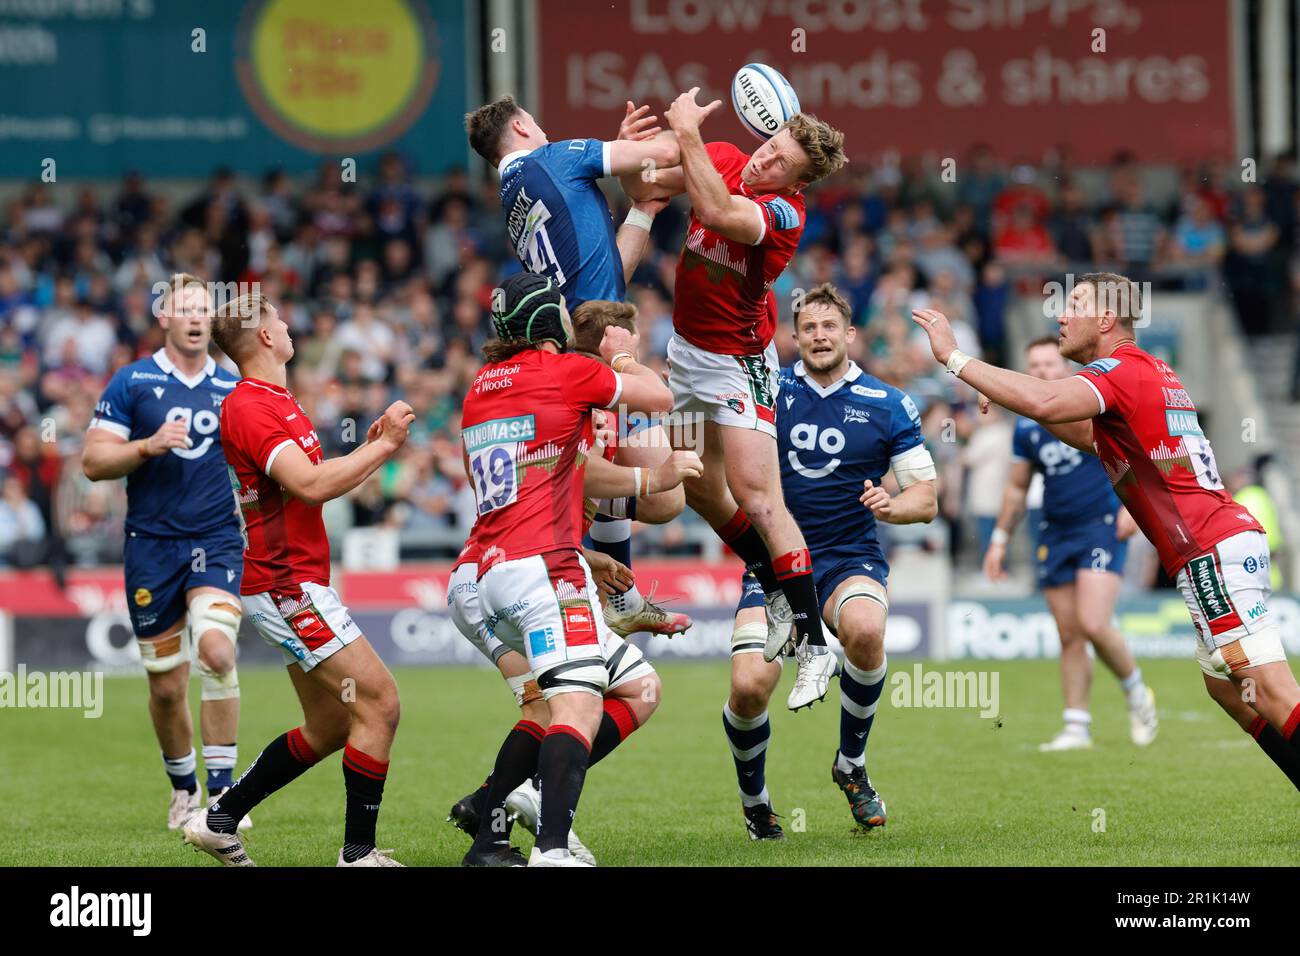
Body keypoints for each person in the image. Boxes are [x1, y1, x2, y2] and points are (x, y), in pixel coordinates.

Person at [911, 272, 1300, 794]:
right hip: (1217, 543)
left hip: (1210, 549)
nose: (1062, 315)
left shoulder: (1117, 370)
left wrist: (956, 360)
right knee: (1228, 689)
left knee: (1269, 690)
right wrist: (1001, 392)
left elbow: (1047, 402)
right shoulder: (1148, 371)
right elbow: (1077, 429)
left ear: (1106, 319)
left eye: (1075, 304)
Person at [621, 88, 849, 708]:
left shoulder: (784, 214)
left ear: (798, 183)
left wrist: (687, 134)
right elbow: (645, 184)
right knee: (697, 483)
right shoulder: (722, 155)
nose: (765, 160)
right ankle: (773, 585)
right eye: (770, 146)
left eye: (782, 163)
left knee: (759, 498)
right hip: (687, 356)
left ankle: (814, 646)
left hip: (736, 364)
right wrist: (632, 149)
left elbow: (719, 212)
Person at [183, 293, 413, 866]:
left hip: (291, 581)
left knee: (330, 722)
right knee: (380, 702)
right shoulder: (251, 405)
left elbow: (308, 480)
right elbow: (309, 486)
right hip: (287, 585)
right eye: (279, 319)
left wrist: (369, 449)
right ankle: (358, 855)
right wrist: (385, 448)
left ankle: (219, 820)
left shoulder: (274, 400)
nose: (288, 325)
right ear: (264, 336)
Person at [460, 272, 677, 866]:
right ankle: (551, 849)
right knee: (576, 707)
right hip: (544, 569)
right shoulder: (563, 371)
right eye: (557, 305)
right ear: (545, 320)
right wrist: (622, 355)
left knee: (639, 686)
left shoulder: (481, 386)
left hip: (495, 570)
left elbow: (548, 466)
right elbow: (659, 398)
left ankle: (494, 829)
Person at [464, 94, 687, 637]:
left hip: (583, 340)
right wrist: (713, 157)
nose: (545, 129)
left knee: (644, 492)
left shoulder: (515, 199)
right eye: (537, 122)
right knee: (662, 496)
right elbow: (668, 154)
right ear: (522, 126)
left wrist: (641, 208)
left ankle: (615, 594)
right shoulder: (556, 158)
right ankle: (585, 590)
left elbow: (606, 276)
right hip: (594, 356)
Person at [721, 283, 937, 838]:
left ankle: (851, 765)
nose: (820, 336)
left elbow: (926, 499)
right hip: (773, 563)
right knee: (749, 688)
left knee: (865, 629)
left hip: (848, 558)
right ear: (795, 338)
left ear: (850, 334)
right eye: (809, 328)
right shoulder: (766, 392)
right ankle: (755, 801)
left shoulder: (889, 404)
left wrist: (891, 506)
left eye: (829, 326)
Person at [82, 273, 248, 831]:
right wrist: (146, 446)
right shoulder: (132, 381)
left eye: (204, 309)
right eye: (186, 308)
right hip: (151, 547)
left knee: (218, 653)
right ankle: (184, 788)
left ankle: (223, 795)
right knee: (167, 685)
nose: (197, 317)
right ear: (165, 317)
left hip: (216, 540)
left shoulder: (232, 386)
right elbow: (93, 462)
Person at [983, 336, 1158, 751]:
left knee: (1094, 623)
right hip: (1055, 531)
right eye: (1034, 366)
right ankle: (1077, 725)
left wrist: (1134, 506)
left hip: (1101, 525)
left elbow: (1138, 452)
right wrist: (999, 540)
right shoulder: (1027, 426)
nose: (1041, 371)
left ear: (1065, 368)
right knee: (1068, 633)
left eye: (1048, 364)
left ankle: (1136, 691)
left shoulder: (1092, 403)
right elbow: (1016, 488)